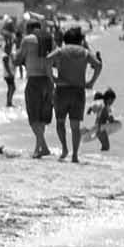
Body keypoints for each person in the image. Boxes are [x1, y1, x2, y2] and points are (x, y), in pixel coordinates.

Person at [46, 25, 104, 162]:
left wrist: (52, 78)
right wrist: (91, 82)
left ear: (66, 39)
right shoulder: (84, 52)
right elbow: (99, 65)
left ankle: (64, 148)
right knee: (75, 126)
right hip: (78, 91)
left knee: (60, 122)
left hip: (61, 90)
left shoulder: (61, 50)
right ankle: (75, 155)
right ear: (79, 40)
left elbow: (48, 60)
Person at [19, 18, 55, 158]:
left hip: (34, 80)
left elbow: (19, 58)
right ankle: (39, 148)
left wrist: (15, 57)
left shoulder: (27, 40)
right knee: (42, 117)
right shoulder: (49, 38)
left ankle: (43, 146)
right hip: (48, 81)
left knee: (34, 117)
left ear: (29, 29)